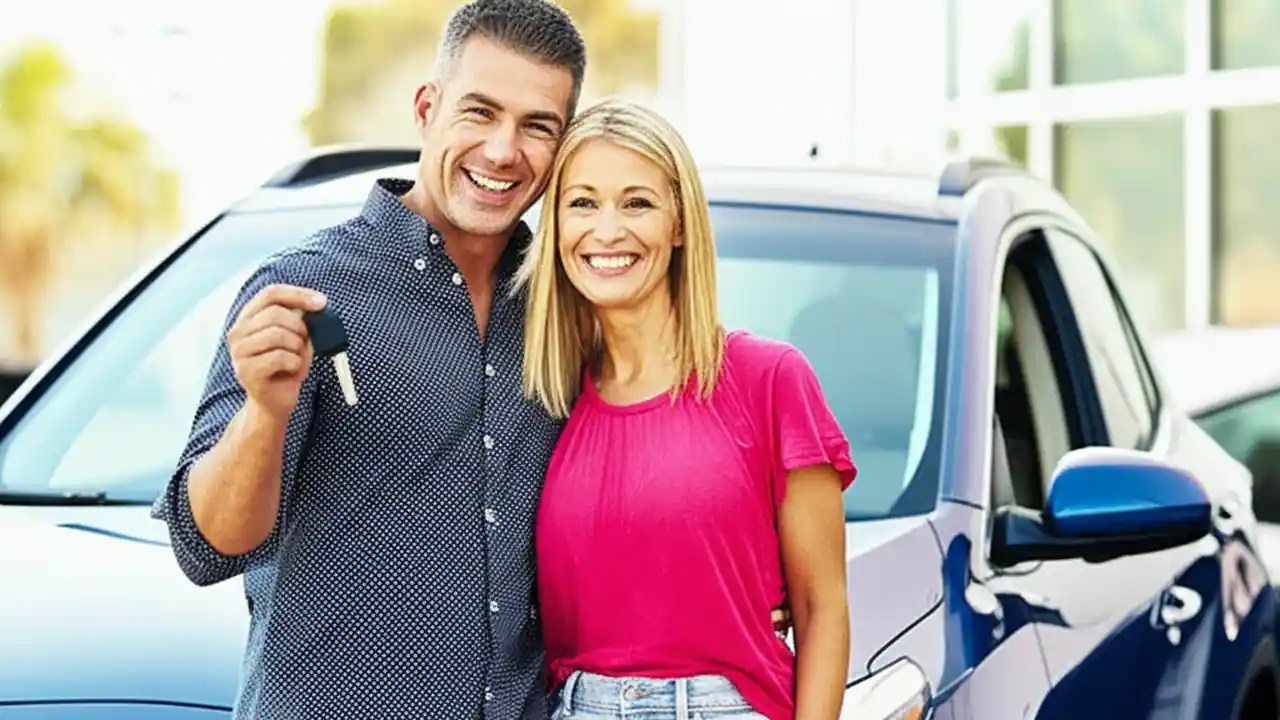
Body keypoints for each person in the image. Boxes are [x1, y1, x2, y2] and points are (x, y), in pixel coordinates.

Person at [150, 1, 586, 718]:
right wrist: (265, 412)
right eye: (479, 112)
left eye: (537, 125)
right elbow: (207, 549)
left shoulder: (562, 308)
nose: (504, 151)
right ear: (426, 107)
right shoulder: (306, 291)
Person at [519, 98, 856, 720]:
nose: (607, 230)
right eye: (582, 203)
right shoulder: (546, 401)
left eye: (637, 202)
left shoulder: (769, 380)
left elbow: (822, 608)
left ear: (679, 224)